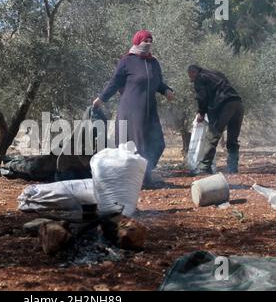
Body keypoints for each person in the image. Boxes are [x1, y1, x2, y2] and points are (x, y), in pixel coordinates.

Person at [93, 29, 174, 188]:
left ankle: (144, 173)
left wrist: (166, 90)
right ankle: (139, 180)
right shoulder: (127, 61)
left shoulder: (154, 62)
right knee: (138, 145)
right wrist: (101, 99)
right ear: (137, 42)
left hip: (150, 110)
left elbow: (158, 82)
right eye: (145, 41)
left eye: (150, 41)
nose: (148, 44)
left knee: (158, 144)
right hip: (131, 110)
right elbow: (114, 83)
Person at [187, 65, 244, 174]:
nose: (192, 80)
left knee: (212, 137)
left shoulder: (199, 77)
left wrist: (201, 112)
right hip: (238, 104)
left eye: (191, 78)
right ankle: (232, 169)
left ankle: (204, 168)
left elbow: (202, 96)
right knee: (233, 140)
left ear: (193, 72)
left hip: (224, 106)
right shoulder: (217, 74)